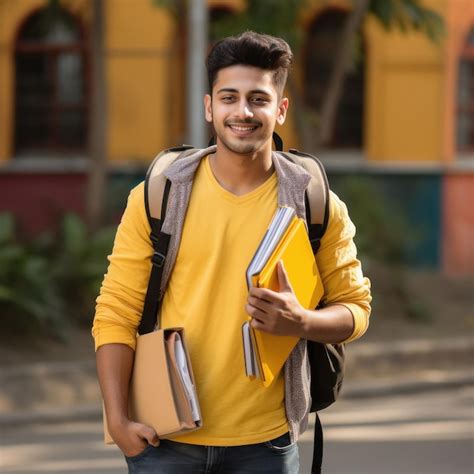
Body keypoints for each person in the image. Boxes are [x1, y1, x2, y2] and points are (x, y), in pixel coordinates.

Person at [92, 31, 371, 474]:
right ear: (209, 107)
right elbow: (116, 311)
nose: (243, 112)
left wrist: (302, 321)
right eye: (229, 98)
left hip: (266, 445)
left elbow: (356, 310)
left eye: (258, 99)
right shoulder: (158, 196)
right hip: (164, 438)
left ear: (280, 110)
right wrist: (116, 417)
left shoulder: (316, 203)